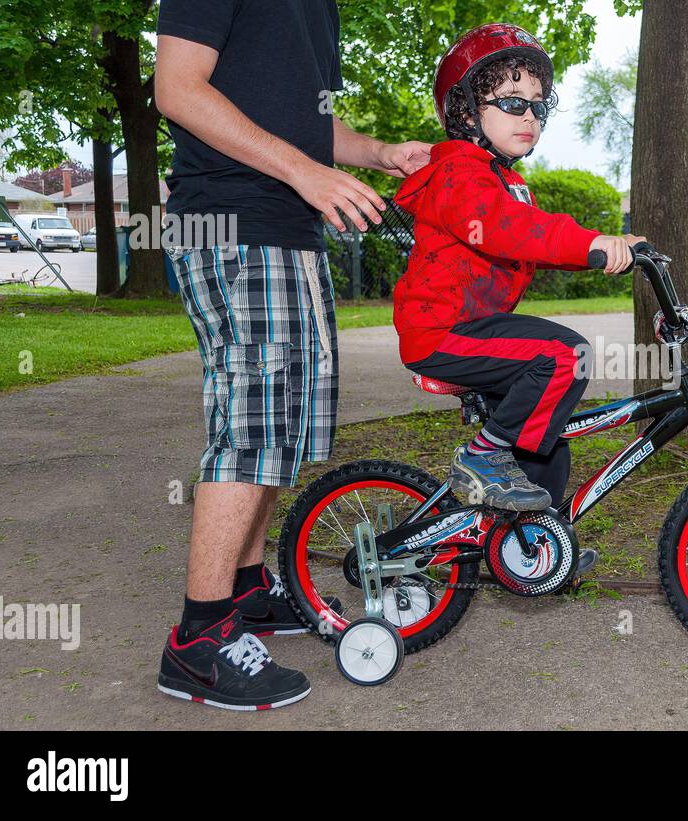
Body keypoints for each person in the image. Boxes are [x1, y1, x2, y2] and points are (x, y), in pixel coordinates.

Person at [153, 0, 431, 711]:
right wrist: (304, 172)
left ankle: (245, 591)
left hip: (288, 228)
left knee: (282, 426)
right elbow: (178, 87)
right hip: (235, 221)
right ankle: (199, 640)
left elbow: (303, 120)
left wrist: (376, 153)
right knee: (253, 425)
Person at [393, 24, 645, 575]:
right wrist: (589, 245)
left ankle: (537, 553)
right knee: (565, 354)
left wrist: (608, 249)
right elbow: (506, 229)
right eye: (510, 102)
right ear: (464, 110)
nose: (528, 116)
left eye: (537, 105)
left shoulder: (503, 179)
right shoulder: (460, 173)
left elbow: (533, 235)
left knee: (547, 443)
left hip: (477, 328)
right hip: (441, 333)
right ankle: (484, 457)